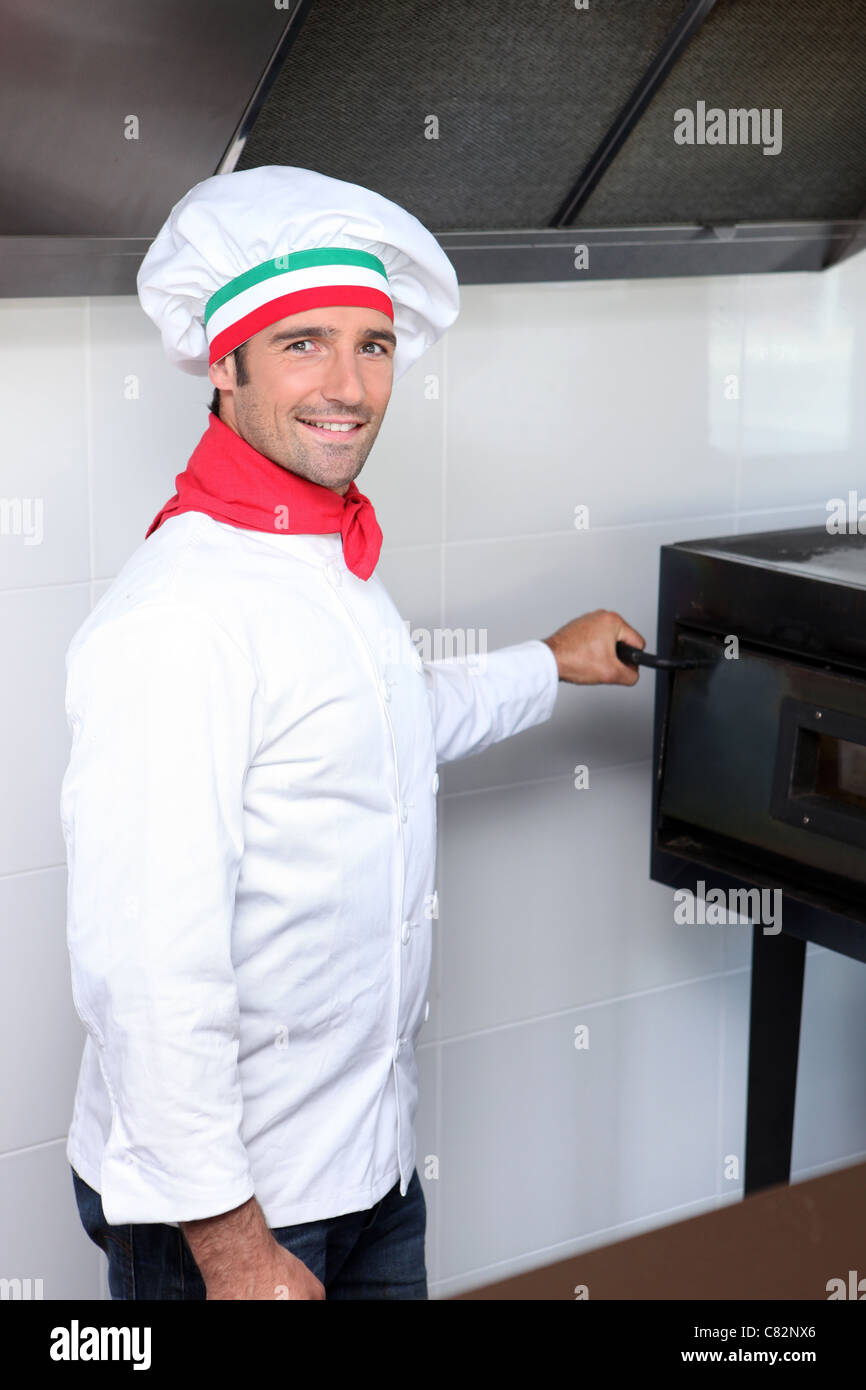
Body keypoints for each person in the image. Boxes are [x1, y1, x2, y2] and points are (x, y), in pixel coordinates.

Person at [61, 166, 645, 1301]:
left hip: (366, 1169)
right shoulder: (177, 617)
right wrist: (232, 1247)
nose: (348, 385)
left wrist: (548, 662)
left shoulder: (319, 559)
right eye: (302, 344)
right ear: (223, 367)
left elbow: (387, 724)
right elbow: (144, 964)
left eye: (372, 345)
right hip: (227, 1207)